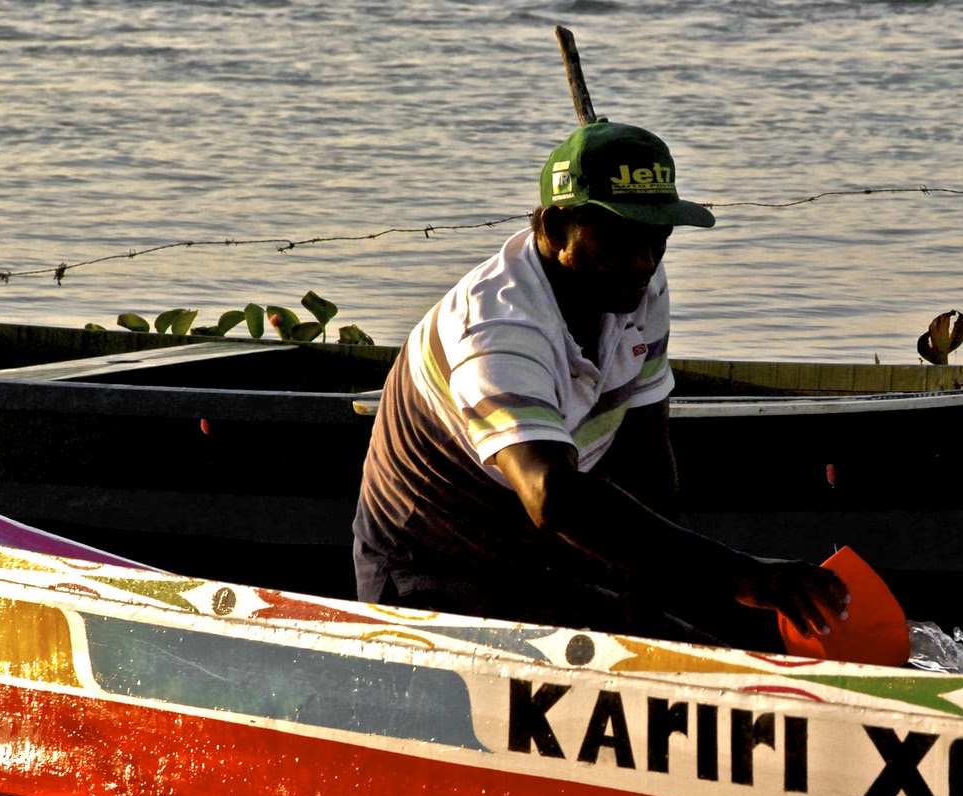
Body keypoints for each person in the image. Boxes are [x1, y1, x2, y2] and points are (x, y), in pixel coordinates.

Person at [353, 118, 849, 646]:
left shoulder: (636, 285)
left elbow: (645, 457)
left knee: (690, 648)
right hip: (433, 571)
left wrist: (653, 593)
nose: (644, 259)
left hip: (547, 555)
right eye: (619, 237)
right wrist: (743, 574)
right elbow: (552, 495)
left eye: (658, 236)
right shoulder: (500, 325)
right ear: (551, 228)